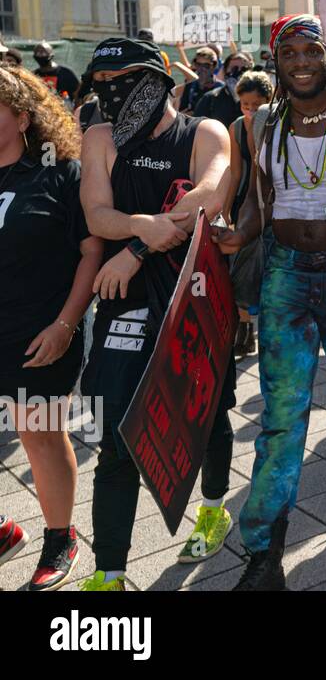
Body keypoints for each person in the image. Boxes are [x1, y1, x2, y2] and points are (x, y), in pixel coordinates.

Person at [215, 14, 326, 591]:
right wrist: (240, 235)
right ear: (275, 60)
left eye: (310, 50)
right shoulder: (262, 123)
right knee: (280, 413)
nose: (299, 61)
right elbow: (257, 199)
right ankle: (264, 549)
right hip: (286, 275)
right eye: (288, 52)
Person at [77, 38, 231, 591]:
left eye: (125, 78)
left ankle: (213, 507)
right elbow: (96, 213)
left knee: (206, 413)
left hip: (191, 295)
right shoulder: (98, 135)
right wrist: (143, 229)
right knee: (116, 435)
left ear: (161, 79)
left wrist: (136, 248)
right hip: (124, 304)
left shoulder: (204, 131)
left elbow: (208, 196)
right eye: (100, 82)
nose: (111, 91)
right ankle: (109, 572)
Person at [0, 66, 103, 590]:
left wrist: (66, 324)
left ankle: (60, 536)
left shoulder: (60, 171)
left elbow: (90, 252)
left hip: (38, 333)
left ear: (22, 117)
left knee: (39, 436)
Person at [224, 70, 274, 357]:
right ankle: (244, 330)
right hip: (246, 201)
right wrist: (227, 210)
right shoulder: (234, 127)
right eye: (246, 104)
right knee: (240, 268)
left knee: (267, 268)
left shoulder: (277, 123)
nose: (251, 110)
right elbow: (235, 170)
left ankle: (266, 329)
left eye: (257, 104)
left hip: (272, 203)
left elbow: (262, 165)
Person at [193, 51, 252, 128]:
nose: (238, 73)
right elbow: (195, 129)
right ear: (225, 71)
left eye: (244, 69)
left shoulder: (257, 99)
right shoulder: (211, 98)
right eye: (234, 69)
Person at [177, 46, 221, 114]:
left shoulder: (220, 88)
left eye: (206, 65)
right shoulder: (190, 84)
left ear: (214, 66)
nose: (202, 69)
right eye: (198, 64)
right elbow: (182, 109)